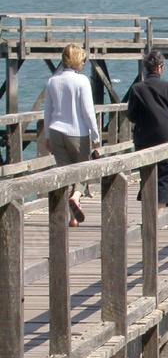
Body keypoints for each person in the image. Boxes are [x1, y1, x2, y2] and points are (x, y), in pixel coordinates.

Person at [43, 44, 100, 225]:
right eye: (83, 60)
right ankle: (76, 196)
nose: (84, 63)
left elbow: (48, 111)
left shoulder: (52, 80)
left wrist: (47, 136)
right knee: (83, 170)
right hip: (78, 133)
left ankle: (72, 218)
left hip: (56, 131)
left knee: (65, 173)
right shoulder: (81, 81)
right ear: (77, 61)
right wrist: (96, 135)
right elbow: (88, 111)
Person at [127, 50, 168, 210]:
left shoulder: (137, 88)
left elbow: (131, 115)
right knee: (163, 178)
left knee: (147, 176)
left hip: (145, 138)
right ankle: (157, 215)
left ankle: (148, 213)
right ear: (160, 68)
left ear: (146, 68)